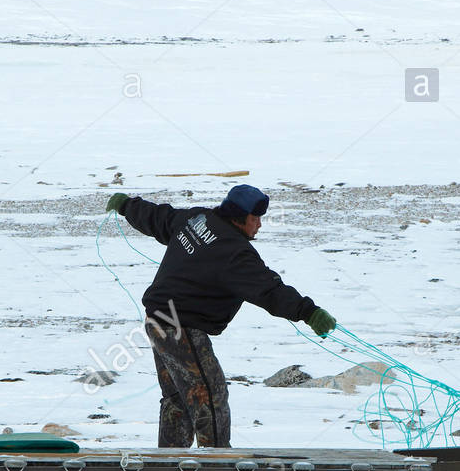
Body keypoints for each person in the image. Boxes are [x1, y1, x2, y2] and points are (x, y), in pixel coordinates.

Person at [105, 184, 336, 449]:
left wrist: (126, 206)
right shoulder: (234, 252)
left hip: (157, 320)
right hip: (181, 328)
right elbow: (269, 289)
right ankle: (216, 466)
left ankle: (167, 465)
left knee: (179, 397)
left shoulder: (197, 218)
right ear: (240, 217)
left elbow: (160, 218)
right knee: (210, 396)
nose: (259, 224)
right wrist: (310, 312)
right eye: (255, 218)